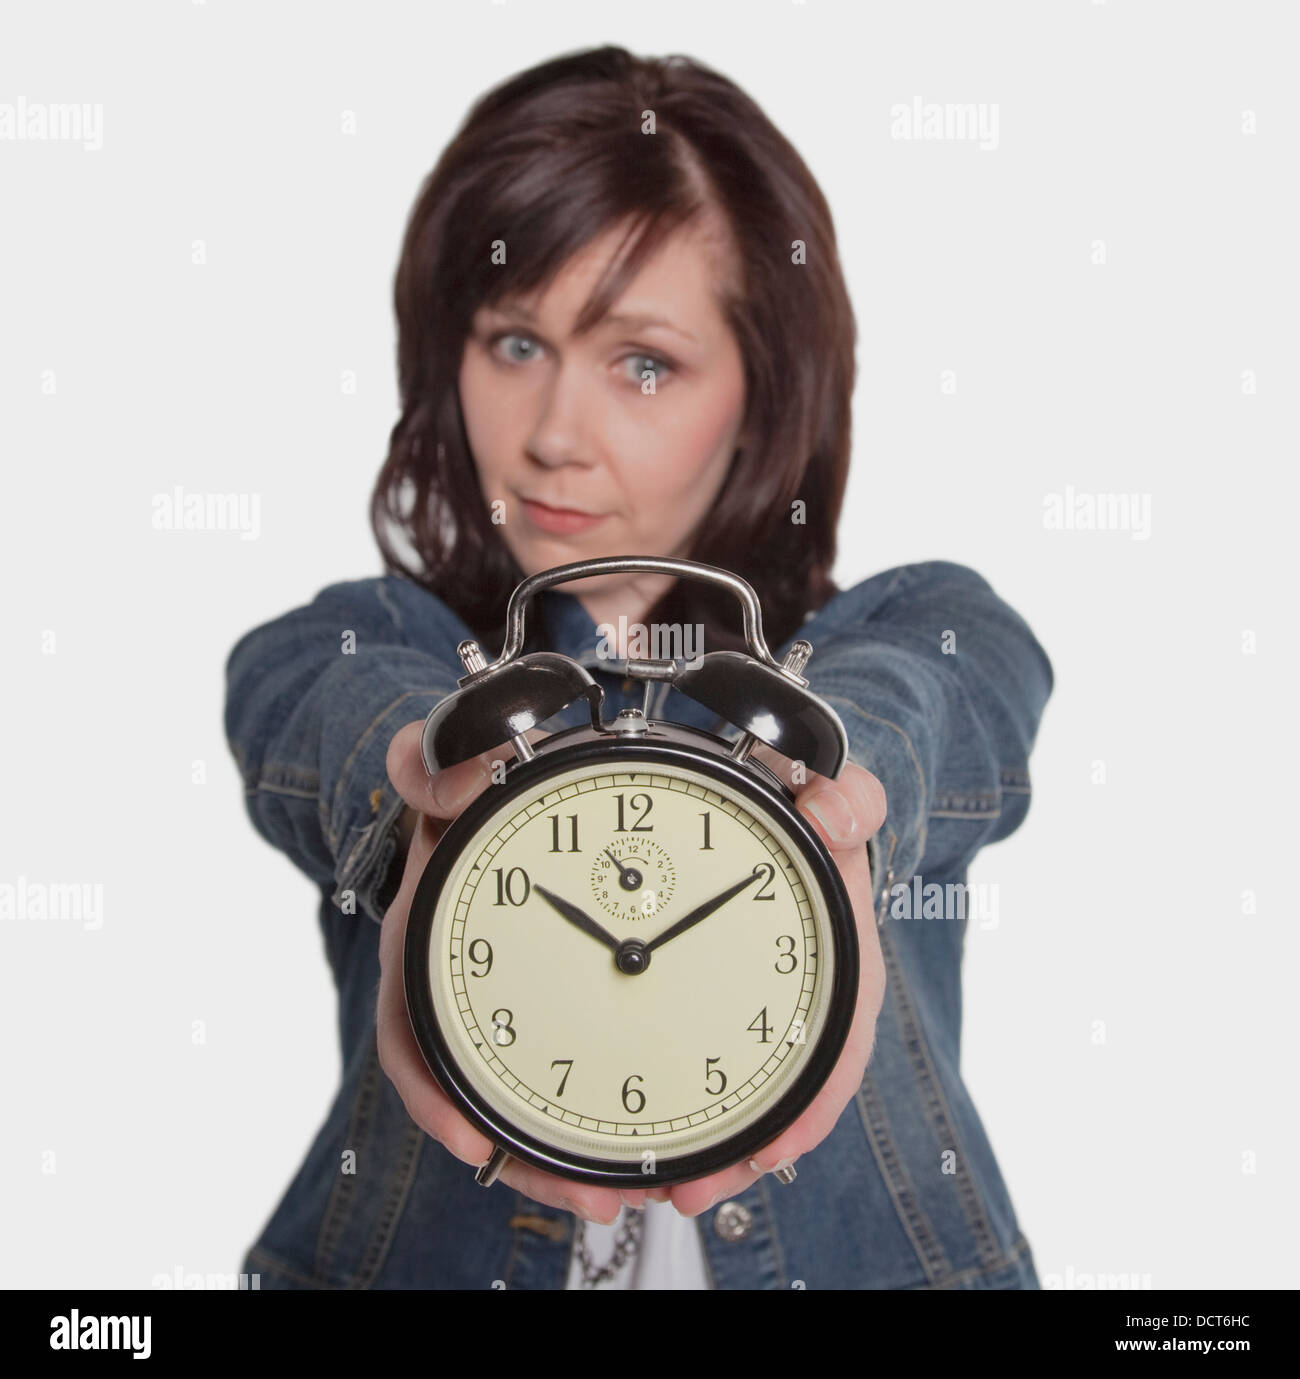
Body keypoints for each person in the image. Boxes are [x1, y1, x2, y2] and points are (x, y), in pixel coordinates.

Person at [223, 45, 1053, 1290]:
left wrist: (838, 790)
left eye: (643, 363)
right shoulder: (380, 645)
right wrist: (421, 788)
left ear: (761, 393)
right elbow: (307, 697)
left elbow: (946, 691)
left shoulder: (905, 627)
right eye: (514, 344)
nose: (555, 435)